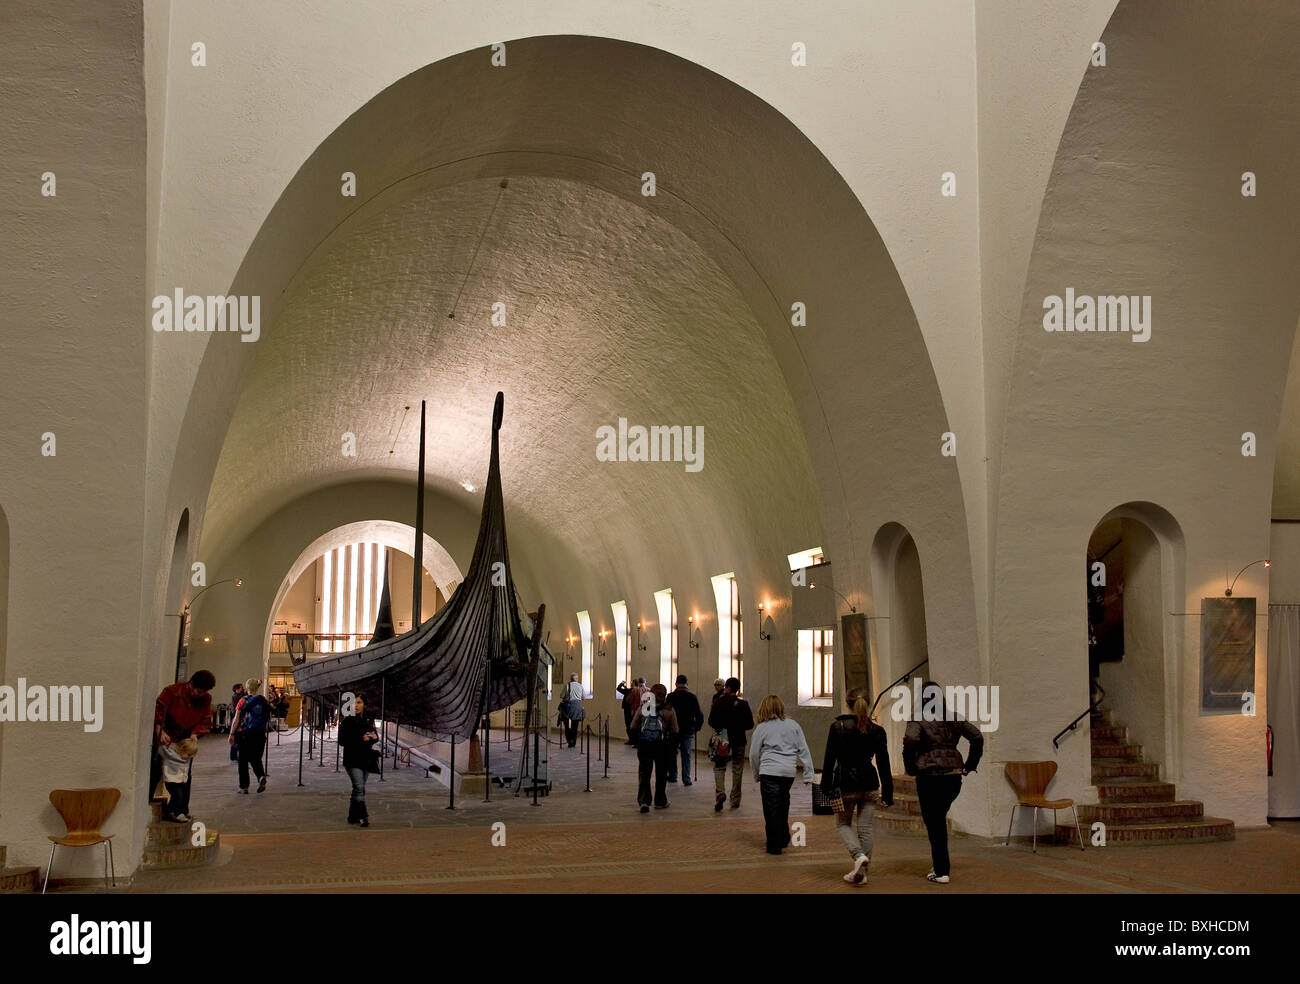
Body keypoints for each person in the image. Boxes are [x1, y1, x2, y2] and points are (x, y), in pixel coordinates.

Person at [903, 681, 984, 884]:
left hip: (929, 777)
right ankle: (940, 866)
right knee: (938, 819)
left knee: (935, 823)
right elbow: (977, 737)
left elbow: (910, 741)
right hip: (953, 776)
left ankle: (941, 871)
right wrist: (969, 764)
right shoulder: (953, 716)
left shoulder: (918, 717)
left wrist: (911, 767)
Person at [822, 694, 894, 885]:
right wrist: (888, 793)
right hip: (870, 782)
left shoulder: (838, 727)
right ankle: (862, 872)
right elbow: (884, 763)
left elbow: (829, 760)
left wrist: (825, 786)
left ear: (848, 705)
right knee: (866, 827)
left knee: (843, 824)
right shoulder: (877, 730)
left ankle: (858, 855)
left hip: (845, 784)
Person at [748, 695, 815, 854]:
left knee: (771, 808)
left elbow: (753, 754)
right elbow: (804, 750)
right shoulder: (793, 725)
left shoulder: (762, 728)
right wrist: (808, 774)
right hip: (788, 772)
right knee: (783, 803)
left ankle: (774, 845)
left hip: (769, 771)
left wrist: (756, 773)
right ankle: (783, 835)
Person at [151, 670, 215, 822]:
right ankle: (147, 803)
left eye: (203, 692)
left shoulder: (206, 698)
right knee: (156, 771)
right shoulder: (171, 692)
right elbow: (157, 711)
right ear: (190, 684)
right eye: (198, 691)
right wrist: (159, 730)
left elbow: (206, 719)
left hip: (184, 742)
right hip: (165, 739)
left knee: (185, 776)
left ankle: (180, 809)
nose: (200, 695)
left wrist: (195, 735)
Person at [630, 683, 679, 812]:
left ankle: (644, 801)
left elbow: (633, 726)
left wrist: (639, 740)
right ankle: (660, 801)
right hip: (662, 747)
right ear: (665, 695)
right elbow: (675, 730)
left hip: (645, 745)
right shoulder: (669, 710)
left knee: (644, 774)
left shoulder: (644, 708)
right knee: (661, 774)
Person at [707, 677, 753, 811]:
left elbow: (711, 721)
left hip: (722, 739)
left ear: (726, 688)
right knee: (737, 768)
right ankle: (735, 799)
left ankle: (720, 792)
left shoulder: (718, 702)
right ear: (738, 689)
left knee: (719, 766)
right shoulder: (743, 704)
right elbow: (749, 724)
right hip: (738, 739)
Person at [338, 694, 380, 826]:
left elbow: (375, 736)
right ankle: (363, 816)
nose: (356, 705)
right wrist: (361, 739)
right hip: (352, 759)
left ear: (364, 705)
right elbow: (342, 741)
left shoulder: (367, 721)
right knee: (359, 787)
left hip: (365, 759)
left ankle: (352, 816)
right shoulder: (347, 721)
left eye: (359, 702)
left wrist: (373, 737)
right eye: (354, 703)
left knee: (358, 789)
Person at [228, 677, 271, 794]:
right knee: (256, 758)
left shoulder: (242, 701)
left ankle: (244, 786)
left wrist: (232, 733)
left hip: (245, 733)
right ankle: (260, 776)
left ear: (246, 688)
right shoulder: (263, 700)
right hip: (260, 733)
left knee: (243, 760)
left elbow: (236, 719)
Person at [664, 675, 703, 785]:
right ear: (686, 683)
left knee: (672, 753)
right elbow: (699, 714)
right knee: (686, 754)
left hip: (673, 730)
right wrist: (697, 727)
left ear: (676, 683)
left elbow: (666, 713)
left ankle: (673, 775)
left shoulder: (671, 696)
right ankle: (686, 778)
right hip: (688, 729)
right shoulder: (692, 697)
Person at [559, 673, 585, 748]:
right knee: (575, 725)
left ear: (571, 679)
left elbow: (561, 695)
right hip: (577, 707)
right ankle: (574, 741)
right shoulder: (580, 686)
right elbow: (583, 697)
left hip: (569, 707)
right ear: (576, 679)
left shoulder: (567, 685)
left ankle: (569, 740)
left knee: (568, 725)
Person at [626, 677, 648, 745]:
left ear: (638, 682)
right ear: (645, 682)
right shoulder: (649, 690)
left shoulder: (635, 691)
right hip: (646, 712)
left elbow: (628, 700)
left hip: (636, 712)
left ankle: (636, 743)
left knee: (636, 728)